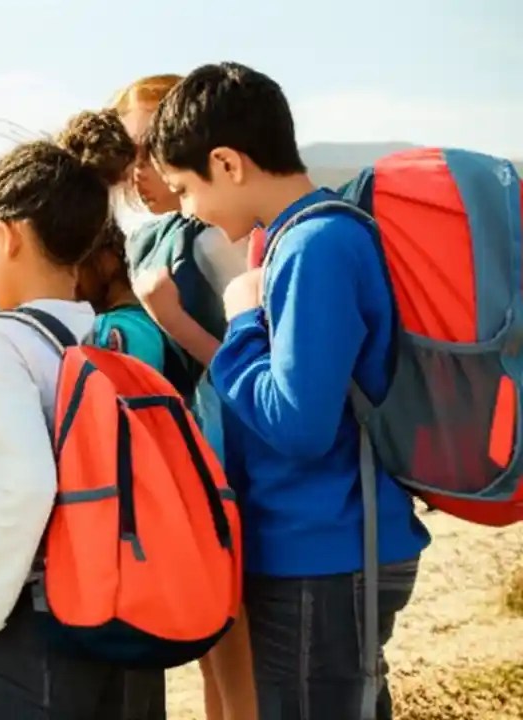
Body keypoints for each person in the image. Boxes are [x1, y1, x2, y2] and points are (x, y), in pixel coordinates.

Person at [145, 61, 431, 719]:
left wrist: (242, 320)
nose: (188, 210)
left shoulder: (317, 245)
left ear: (226, 163)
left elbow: (299, 425)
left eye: (184, 189)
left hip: (326, 551)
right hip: (323, 548)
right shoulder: (300, 240)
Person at [0, 108, 134, 718]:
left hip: (35, 613)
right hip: (117, 599)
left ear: (9, 233)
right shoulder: (105, 335)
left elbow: (26, 482)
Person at [111, 73, 257, 720]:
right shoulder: (149, 240)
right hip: (192, 475)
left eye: (150, 150)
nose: (140, 171)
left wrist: (172, 321)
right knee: (212, 646)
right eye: (128, 156)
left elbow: (255, 369)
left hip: (249, 472)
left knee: (242, 659)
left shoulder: (224, 235)